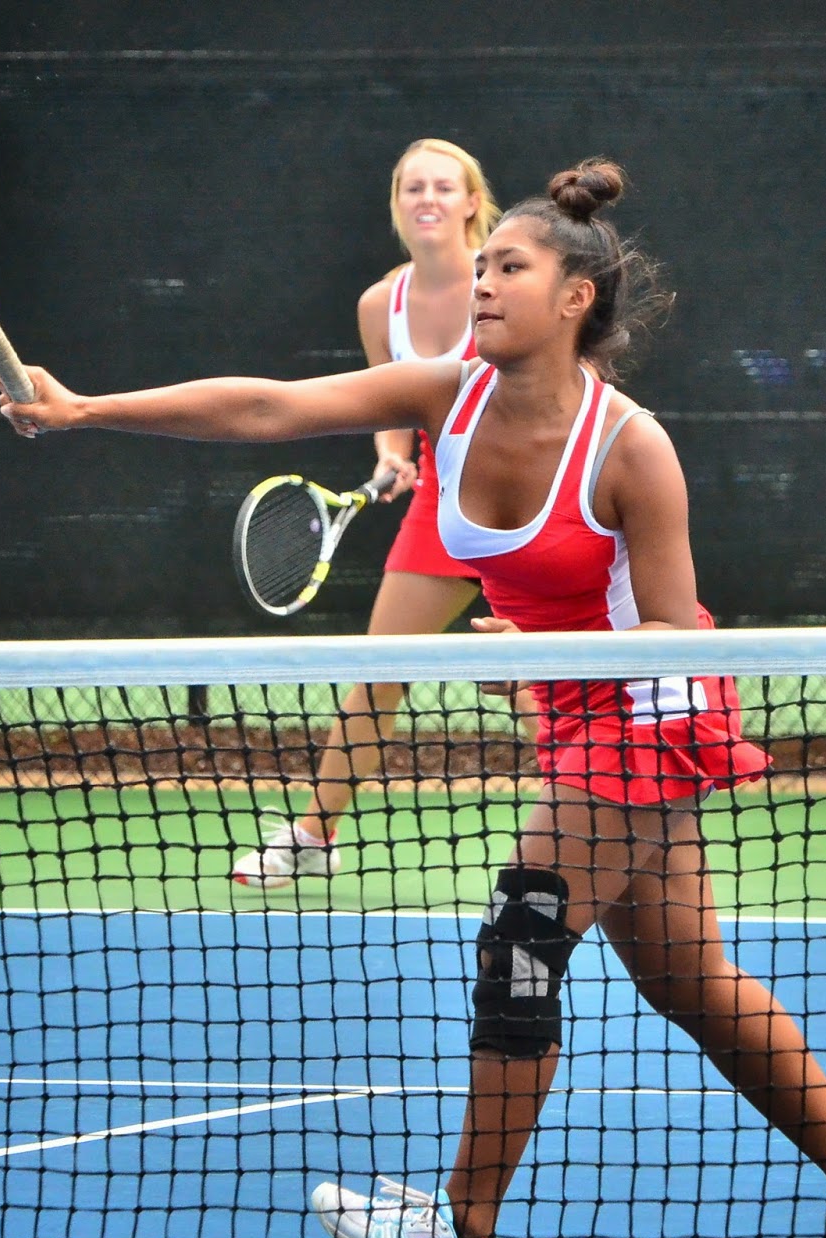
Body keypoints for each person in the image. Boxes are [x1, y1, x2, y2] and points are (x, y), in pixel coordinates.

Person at [0, 158, 826, 1238]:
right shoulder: (445, 392)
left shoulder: (630, 447)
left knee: (521, 940)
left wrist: (545, 656)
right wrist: (84, 408)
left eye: (511, 267)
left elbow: (673, 634)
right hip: (574, 703)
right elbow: (271, 405)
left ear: (574, 298)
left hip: (652, 700)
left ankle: (458, 1231)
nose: (485, 282)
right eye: (484, 266)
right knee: (687, 980)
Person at [229, 137, 517, 891]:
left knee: (556, 671)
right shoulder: (378, 305)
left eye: (443, 186)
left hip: (538, 500)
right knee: (378, 672)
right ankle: (313, 836)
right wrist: (393, 454)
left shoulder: (508, 283)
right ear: (397, 204)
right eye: (412, 187)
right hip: (443, 505)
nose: (427, 199)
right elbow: (390, 403)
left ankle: (616, 806)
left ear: (471, 201)